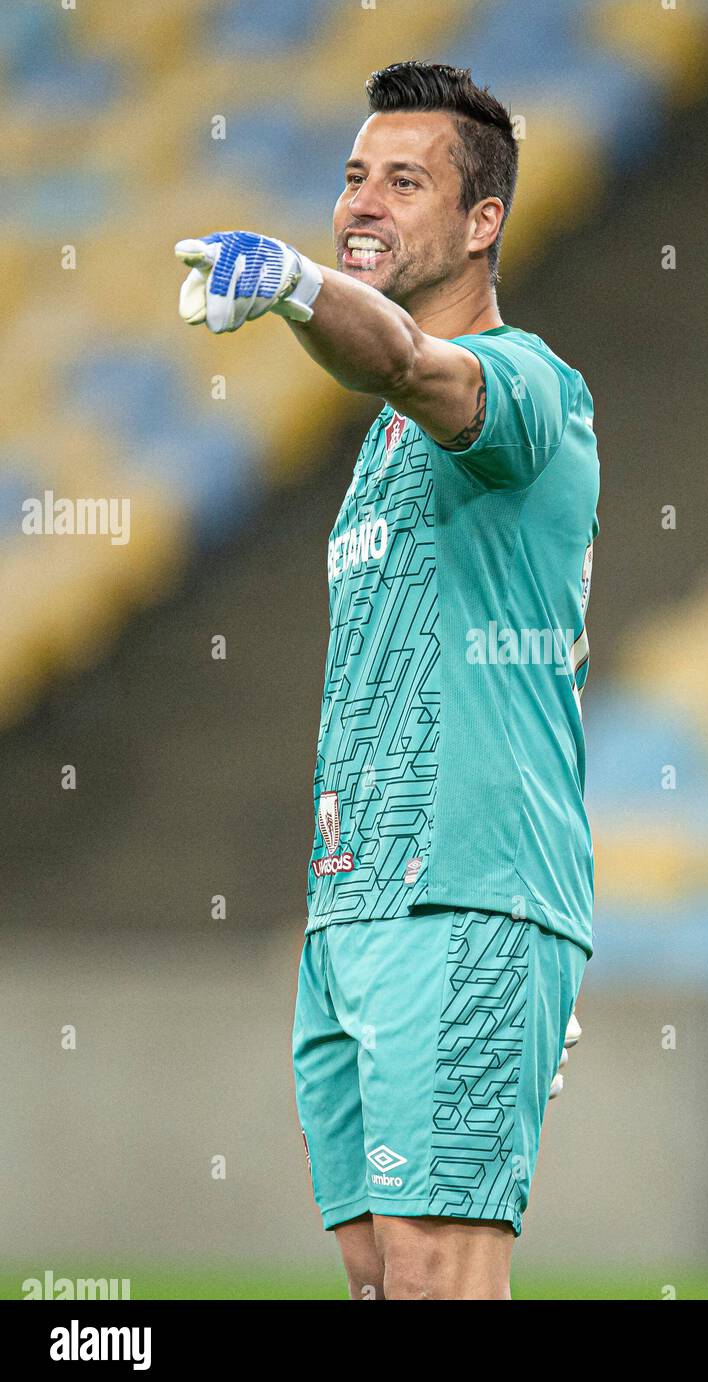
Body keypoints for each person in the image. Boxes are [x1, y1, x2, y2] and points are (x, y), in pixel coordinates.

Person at [174, 60, 599, 1301]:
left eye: (404, 182)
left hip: (464, 894)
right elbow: (382, 375)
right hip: (353, 911)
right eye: (353, 177)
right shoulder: (376, 451)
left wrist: (301, 286)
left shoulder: (527, 386)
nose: (362, 202)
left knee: (437, 1281)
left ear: (483, 223)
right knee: (375, 1281)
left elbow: (416, 366)